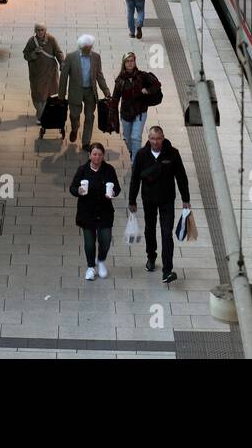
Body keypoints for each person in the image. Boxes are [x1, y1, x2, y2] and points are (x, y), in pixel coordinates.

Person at [129, 125, 190, 284]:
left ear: (163, 138)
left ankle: (167, 270)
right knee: (150, 229)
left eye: (158, 138)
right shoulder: (142, 155)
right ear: (148, 139)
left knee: (166, 233)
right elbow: (135, 178)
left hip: (167, 200)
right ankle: (151, 256)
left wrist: (186, 199)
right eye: (152, 139)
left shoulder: (173, 154)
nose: (155, 142)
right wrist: (132, 200)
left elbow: (181, 177)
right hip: (148, 199)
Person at [69, 143, 121, 281]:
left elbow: (117, 187)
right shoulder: (82, 170)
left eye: (99, 154)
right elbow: (73, 188)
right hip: (87, 212)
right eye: (94, 154)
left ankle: (101, 260)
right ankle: (91, 267)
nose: (97, 157)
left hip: (104, 211)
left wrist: (113, 192)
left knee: (106, 239)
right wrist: (79, 191)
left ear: (103, 155)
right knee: (89, 242)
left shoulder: (109, 169)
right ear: (89, 155)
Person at [58, 35, 110, 146]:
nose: (90, 50)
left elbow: (99, 75)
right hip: (76, 91)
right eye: (87, 48)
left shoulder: (96, 57)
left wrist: (106, 90)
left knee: (90, 117)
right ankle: (75, 128)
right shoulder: (71, 57)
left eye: (91, 47)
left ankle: (86, 142)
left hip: (90, 92)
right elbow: (63, 77)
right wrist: (61, 95)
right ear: (81, 47)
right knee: (74, 115)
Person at [111, 52, 160, 157]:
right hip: (126, 113)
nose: (130, 63)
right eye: (127, 61)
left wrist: (147, 90)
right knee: (127, 138)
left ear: (135, 62)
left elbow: (156, 84)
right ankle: (133, 152)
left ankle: (136, 162)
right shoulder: (120, 81)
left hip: (140, 111)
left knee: (136, 137)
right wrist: (112, 116)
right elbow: (115, 99)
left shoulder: (142, 76)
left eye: (132, 61)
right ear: (124, 63)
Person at [23, 23, 65, 136]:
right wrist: (34, 53)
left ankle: (42, 117)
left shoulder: (51, 39)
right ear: (35, 31)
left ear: (45, 30)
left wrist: (62, 63)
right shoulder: (31, 41)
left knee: (47, 95)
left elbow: (58, 52)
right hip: (36, 74)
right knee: (37, 96)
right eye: (38, 30)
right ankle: (41, 113)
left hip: (50, 72)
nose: (40, 32)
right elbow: (26, 55)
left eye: (42, 30)